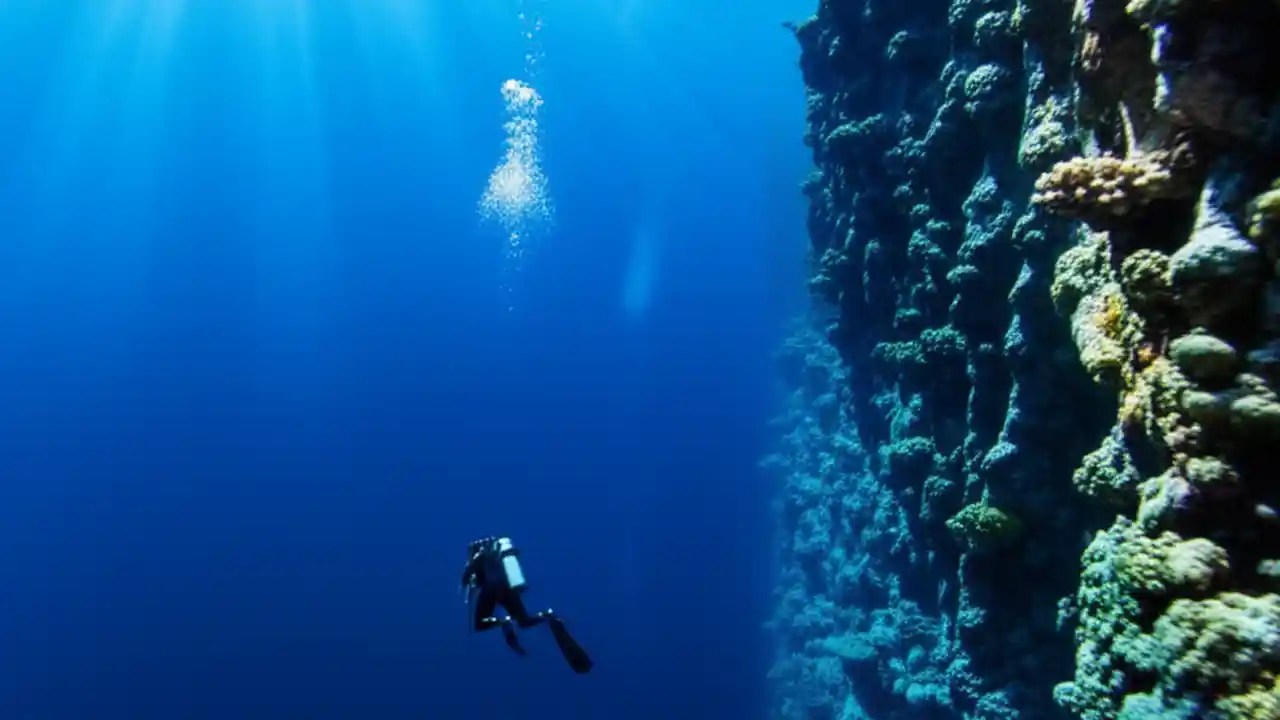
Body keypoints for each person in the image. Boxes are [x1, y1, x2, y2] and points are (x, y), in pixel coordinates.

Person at [460, 535, 593, 674]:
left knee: (481, 624)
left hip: (490, 592)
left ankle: (505, 622)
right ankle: (546, 615)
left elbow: (465, 580)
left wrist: (468, 575)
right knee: (524, 622)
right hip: (508, 590)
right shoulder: (498, 554)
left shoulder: (478, 557)